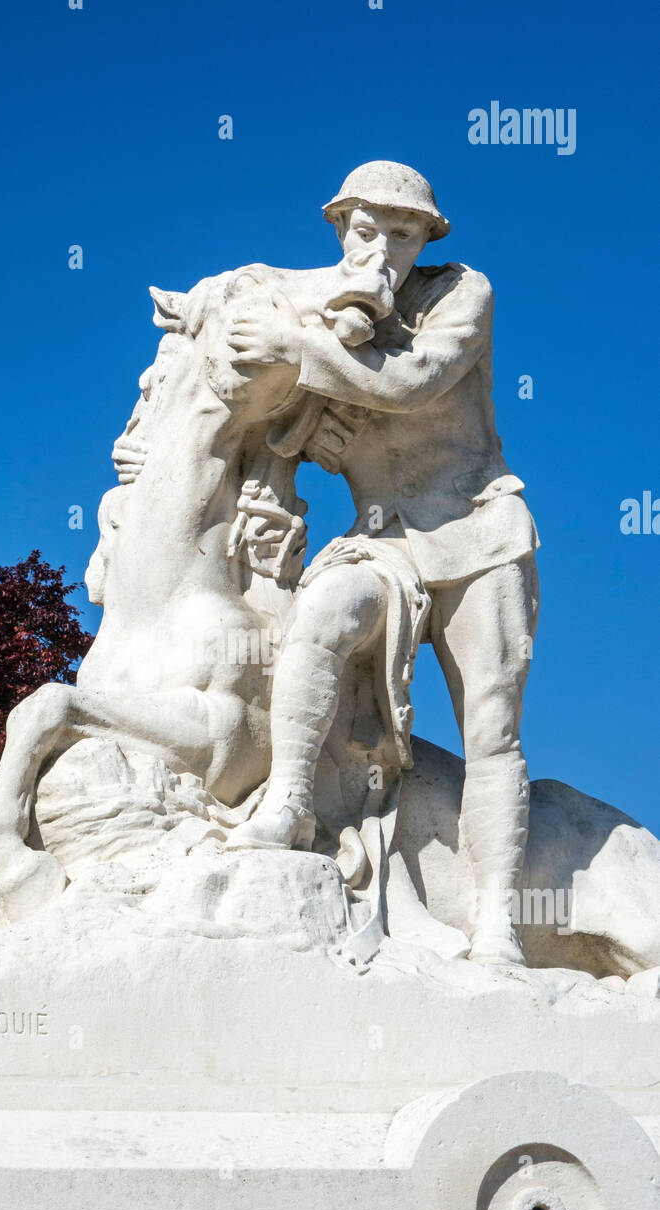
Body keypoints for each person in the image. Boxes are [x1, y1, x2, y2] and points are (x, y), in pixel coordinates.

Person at [226, 161, 540, 966]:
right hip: (386, 538)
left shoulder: (461, 293)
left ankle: (497, 922)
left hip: (478, 534)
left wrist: (299, 349)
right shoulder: (321, 318)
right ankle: (289, 802)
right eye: (368, 230)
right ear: (341, 231)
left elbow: (413, 383)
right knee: (323, 616)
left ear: (426, 239)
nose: (385, 248)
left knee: (492, 729)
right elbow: (270, 432)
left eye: (403, 233)